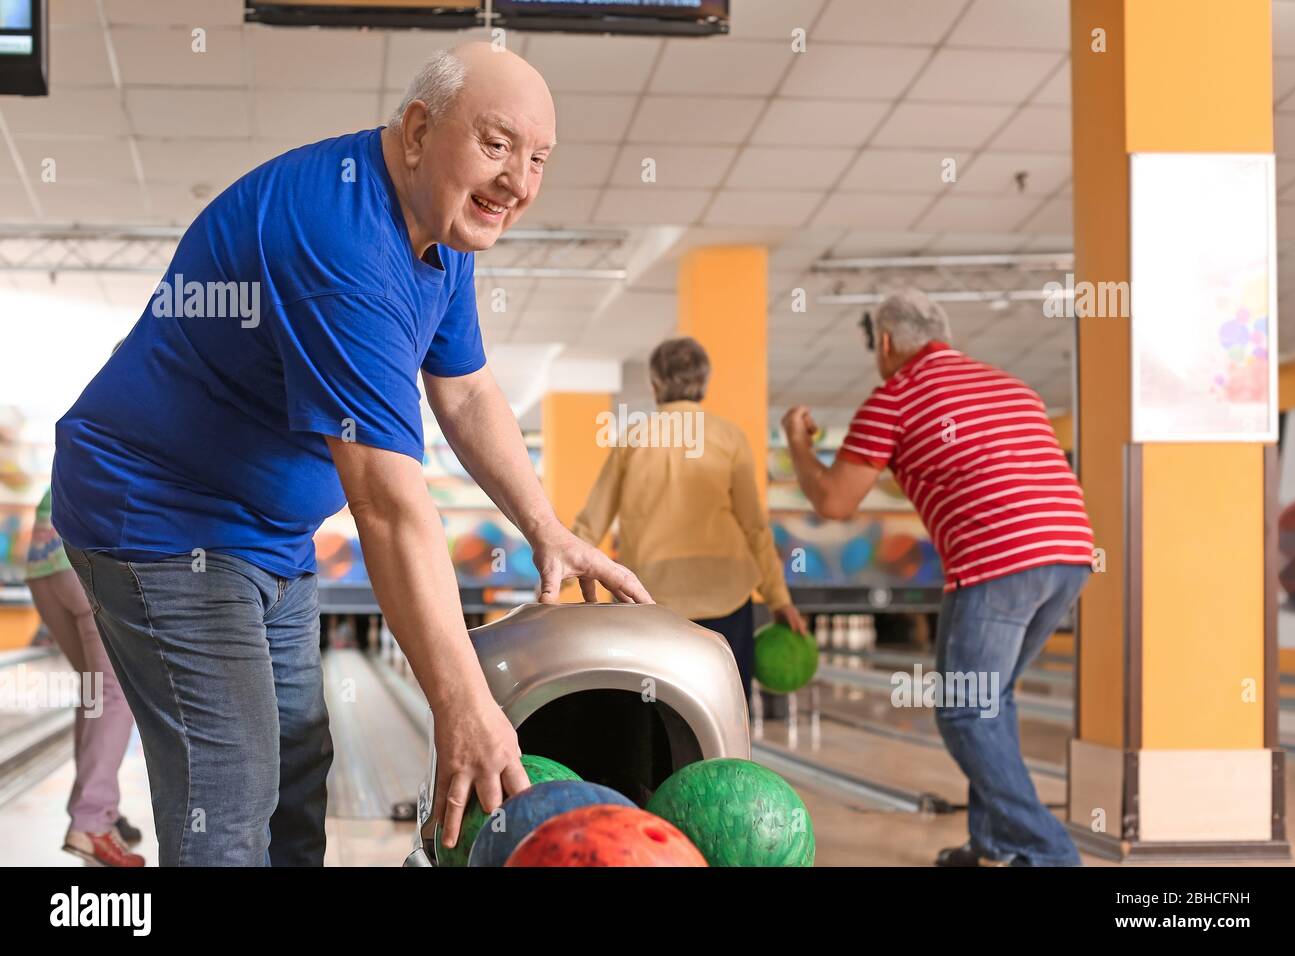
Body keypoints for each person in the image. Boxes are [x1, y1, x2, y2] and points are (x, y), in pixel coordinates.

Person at [51, 42, 649, 867]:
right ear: (416, 131)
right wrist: (462, 705)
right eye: (498, 144)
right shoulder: (345, 247)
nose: (519, 181)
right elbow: (388, 506)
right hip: (159, 519)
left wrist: (545, 525)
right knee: (232, 789)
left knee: (298, 774)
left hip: (271, 532)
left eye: (538, 158)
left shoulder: (440, 236)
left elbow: (467, 392)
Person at [781, 288, 1094, 867]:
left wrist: (799, 443)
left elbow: (832, 501)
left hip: (997, 562)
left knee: (964, 708)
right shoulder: (1013, 387)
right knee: (989, 700)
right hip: (1070, 554)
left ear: (885, 341)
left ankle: (1049, 854)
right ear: (943, 335)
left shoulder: (895, 398)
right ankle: (994, 844)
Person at [573, 337, 806, 710]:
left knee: (652, 714)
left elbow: (590, 523)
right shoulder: (729, 437)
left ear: (654, 384)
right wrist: (779, 600)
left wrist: (550, 587)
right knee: (725, 712)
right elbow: (754, 529)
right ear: (705, 382)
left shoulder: (633, 437)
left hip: (648, 602)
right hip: (725, 600)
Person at [24, 486, 144, 866]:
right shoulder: (140, 429)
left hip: (43, 569)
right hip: (84, 569)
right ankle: (92, 820)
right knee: (114, 693)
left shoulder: (86, 430)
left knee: (96, 691)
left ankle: (99, 811)